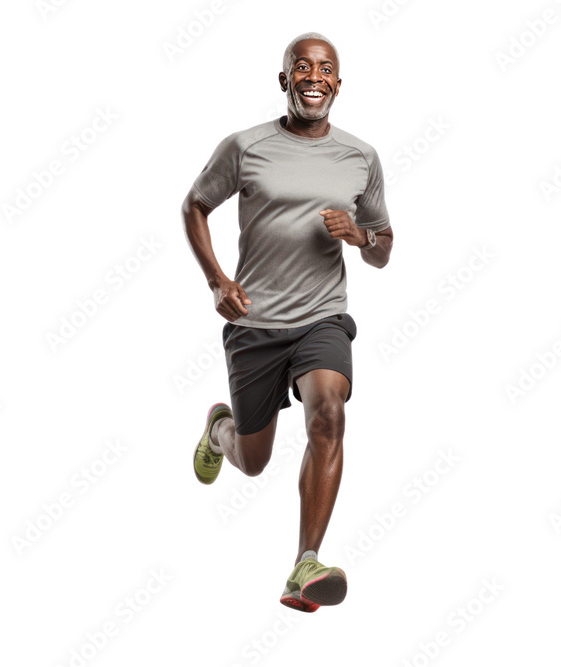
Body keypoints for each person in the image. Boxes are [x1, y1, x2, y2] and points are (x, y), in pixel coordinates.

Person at [182, 32, 394, 612]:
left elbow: (384, 248)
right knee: (252, 462)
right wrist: (217, 281)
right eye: (301, 68)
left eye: (325, 69)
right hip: (255, 323)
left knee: (329, 411)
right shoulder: (246, 146)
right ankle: (220, 428)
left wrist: (361, 235)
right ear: (284, 81)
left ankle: (305, 564)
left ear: (338, 84)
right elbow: (194, 205)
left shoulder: (360, 157)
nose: (313, 77)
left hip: (322, 318)